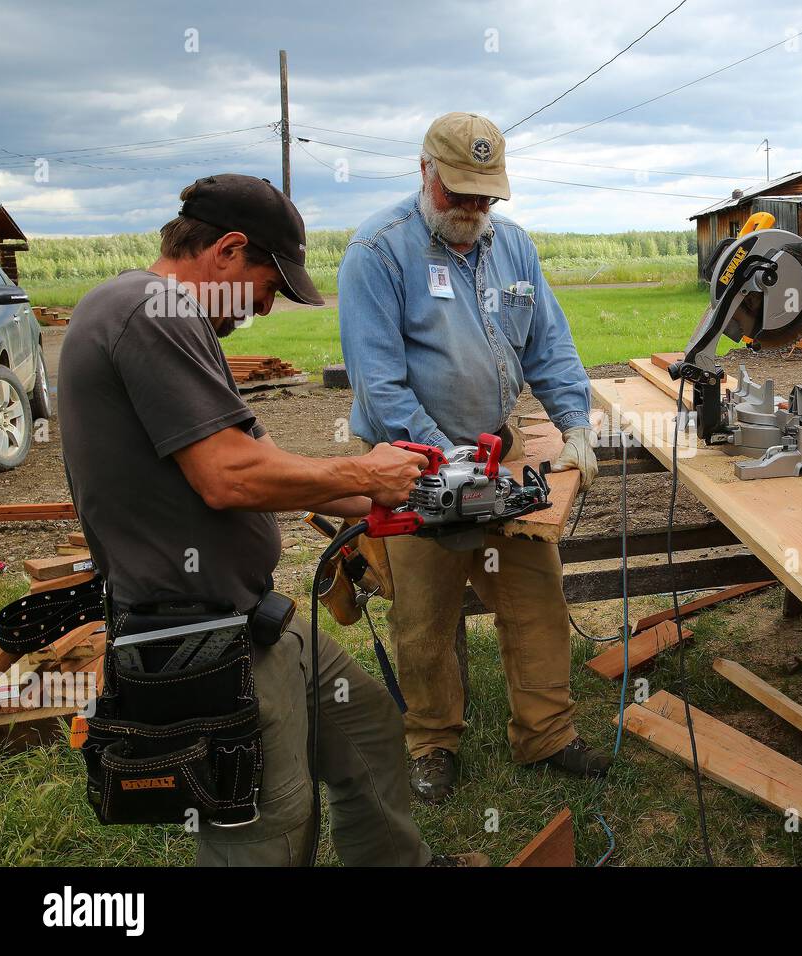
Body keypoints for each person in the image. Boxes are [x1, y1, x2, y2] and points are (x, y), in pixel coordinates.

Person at [57, 173, 485, 865]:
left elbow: (265, 462)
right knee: (271, 821)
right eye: (267, 284)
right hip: (199, 632)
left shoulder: (166, 318)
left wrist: (407, 492)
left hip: (249, 614)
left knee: (368, 730)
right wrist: (364, 473)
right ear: (227, 251)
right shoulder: (150, 310)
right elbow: (228, 477)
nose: (262, 308)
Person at [339, 113, 609, 803]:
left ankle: (546, 733)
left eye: (485, 197)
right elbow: (380, 383)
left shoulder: (513, 248)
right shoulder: (378, 252)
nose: (472, 210)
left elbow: (548, 344)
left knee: (535, 596)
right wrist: (447, 462)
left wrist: (575, 422)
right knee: (424, 617)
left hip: (501, 448)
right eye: (459, 194)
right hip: (413, 463)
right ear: (424, 171)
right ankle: (431, 743)